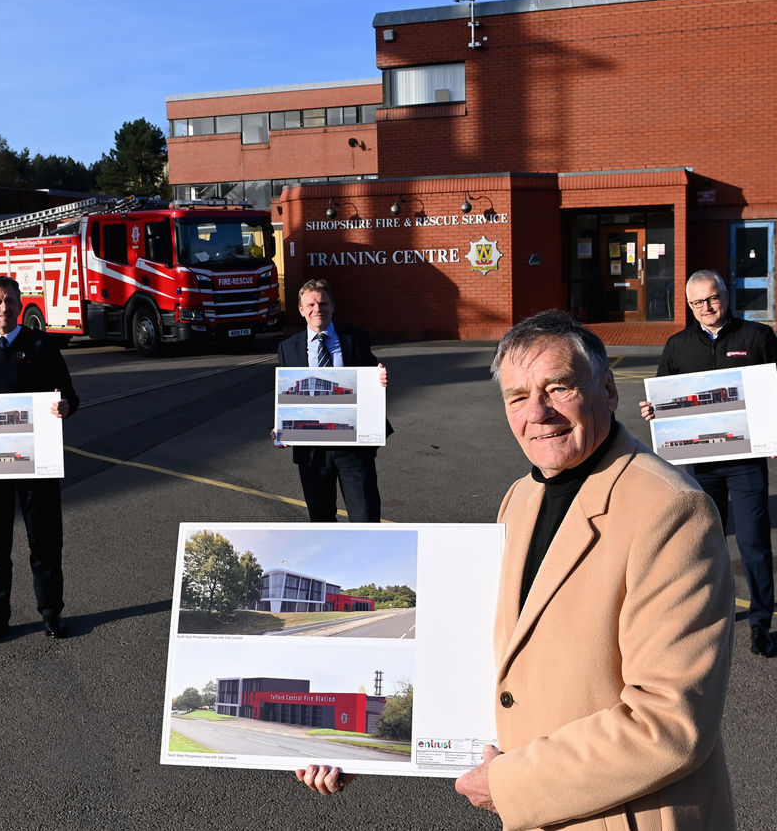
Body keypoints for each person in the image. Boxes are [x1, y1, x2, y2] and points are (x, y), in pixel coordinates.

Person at [300, 310, 736, 831]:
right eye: (517, 396)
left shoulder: (670, 509)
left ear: (608, 390)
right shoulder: (521, 498)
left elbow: (669, 723)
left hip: (624, 816)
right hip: (549, 809)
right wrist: (371, 749)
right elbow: (492, 660)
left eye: (558, 388)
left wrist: (510, 784)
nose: (538, 412)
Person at [639, 269, 777, 658]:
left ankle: (761, 622)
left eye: (712, 299)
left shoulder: (756, 337)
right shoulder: (678, 345)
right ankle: (706, 615)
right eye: (697, 303)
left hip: (745, 461)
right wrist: (653, 411)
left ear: (725, 296)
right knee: (702, 544)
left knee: (754, 544)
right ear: (688, 306)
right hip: (701, 463)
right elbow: (665, 392)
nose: (706, 308)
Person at [0, 276, 80, 645]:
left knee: (46, 544)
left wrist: (66, 405)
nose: (4, 308)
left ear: (21, 304)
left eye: (10, 301)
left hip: (37, 463)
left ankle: (52, 613)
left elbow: (69, 393)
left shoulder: (42, 345)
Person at [276, 279, 388, 522]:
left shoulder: (356, 338)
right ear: (301, 309)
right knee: (321, 521)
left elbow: (372, 379)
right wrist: (280, 427)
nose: (318, 309)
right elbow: (287, 392)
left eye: (323, 303)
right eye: (311, 304)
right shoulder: (288, 348)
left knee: (366, 518)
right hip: (312, 450)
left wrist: (379, 379)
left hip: (354, 446)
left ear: (332, 306)